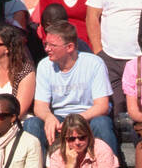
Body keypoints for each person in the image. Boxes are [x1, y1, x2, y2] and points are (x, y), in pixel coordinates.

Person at [30, 18, 119, 159]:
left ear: (70, 47)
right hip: (59, 118)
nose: (47, 49)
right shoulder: (44, 65)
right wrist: (48, 117)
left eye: (52, 45)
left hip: (87, 117)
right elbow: (40, 106)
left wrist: (74, 121)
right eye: (46, 44)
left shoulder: (94, 63)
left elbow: (102, 106)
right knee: (32, 123)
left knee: (102, 123)